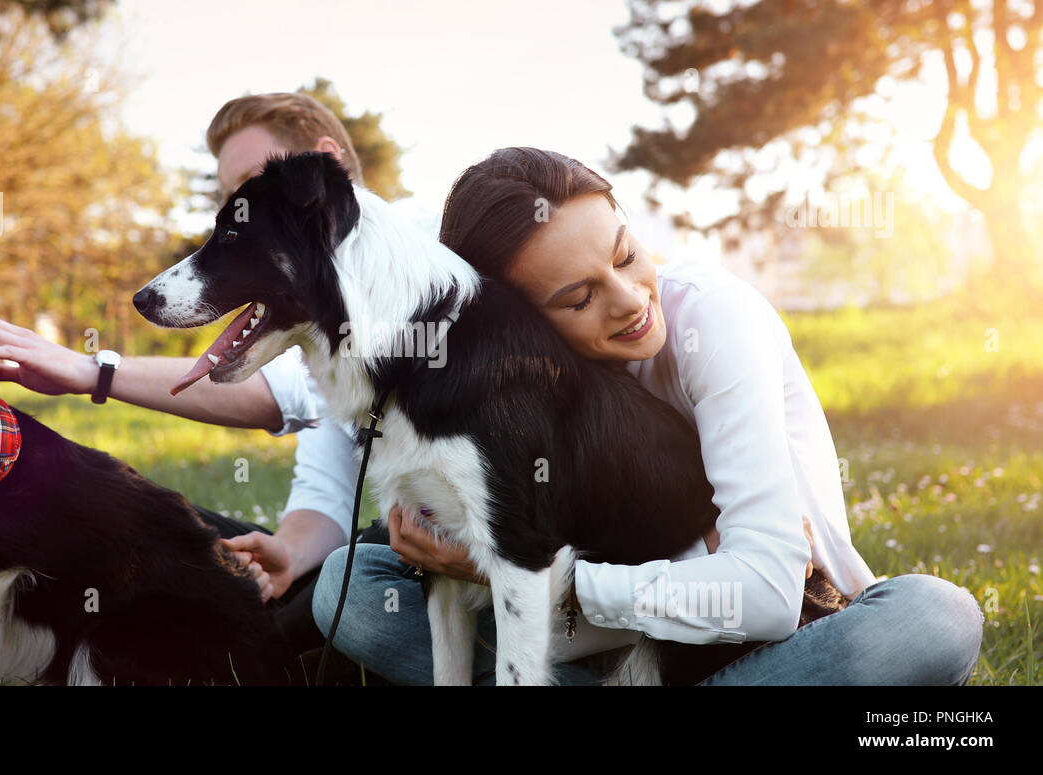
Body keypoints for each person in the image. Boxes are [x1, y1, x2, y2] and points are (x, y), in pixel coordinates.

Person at [310, 147, 986, 685]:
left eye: (627, 253)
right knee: (351, 583)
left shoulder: (714, 317)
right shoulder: (509, 387)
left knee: (933, 617)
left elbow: (769, 595)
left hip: (776, 640)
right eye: (580, 297)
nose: (631, 300)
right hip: (591, 641)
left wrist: (539, 576)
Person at [0, 92, 393, 661]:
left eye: (251, 190)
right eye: (231, 205)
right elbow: (328, 481)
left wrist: (92, 371)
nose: (241, 221)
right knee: (133, 518)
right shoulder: (309, 324)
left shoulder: (439, 248)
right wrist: (286, 554)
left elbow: (283, 396)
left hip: (411, 574)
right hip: (341, 569)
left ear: (324, 167)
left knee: (349, 598)